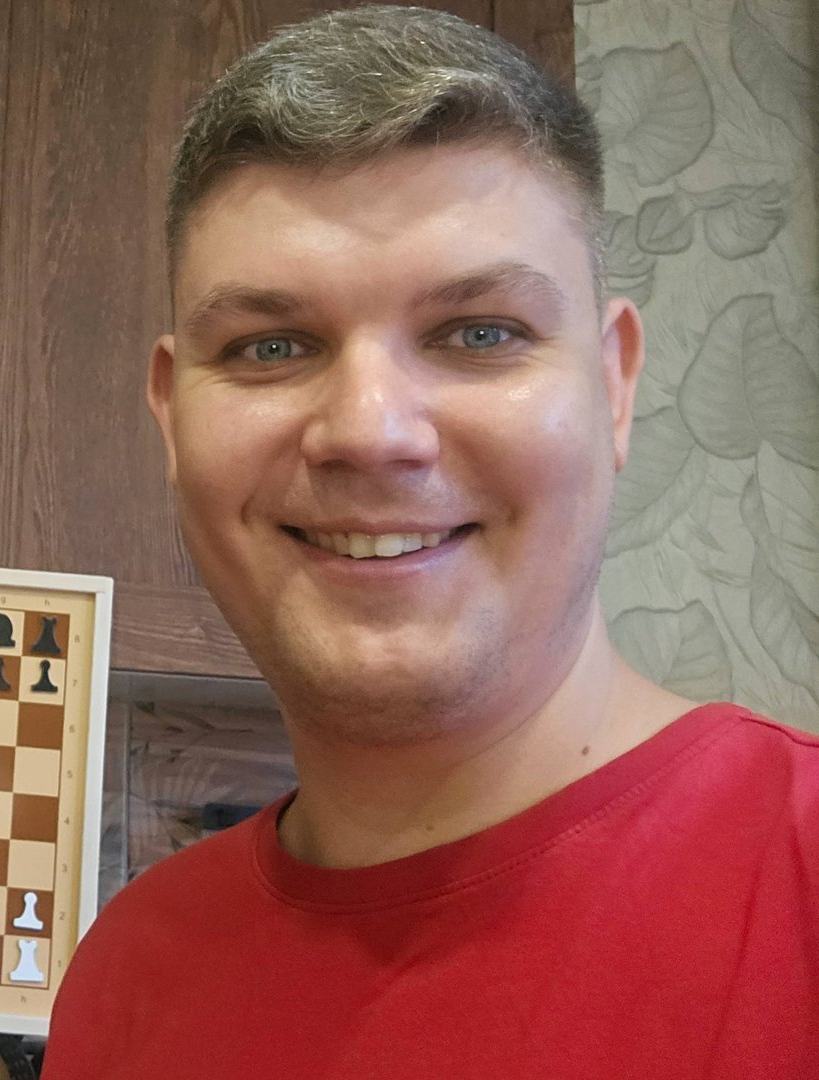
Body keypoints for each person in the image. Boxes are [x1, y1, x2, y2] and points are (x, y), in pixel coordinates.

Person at [45, 8, 818, 1077]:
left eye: (480, 333)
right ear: (174, 415)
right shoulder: (124, 977)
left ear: (613, 387)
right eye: (271, 346)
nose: (370, 431)